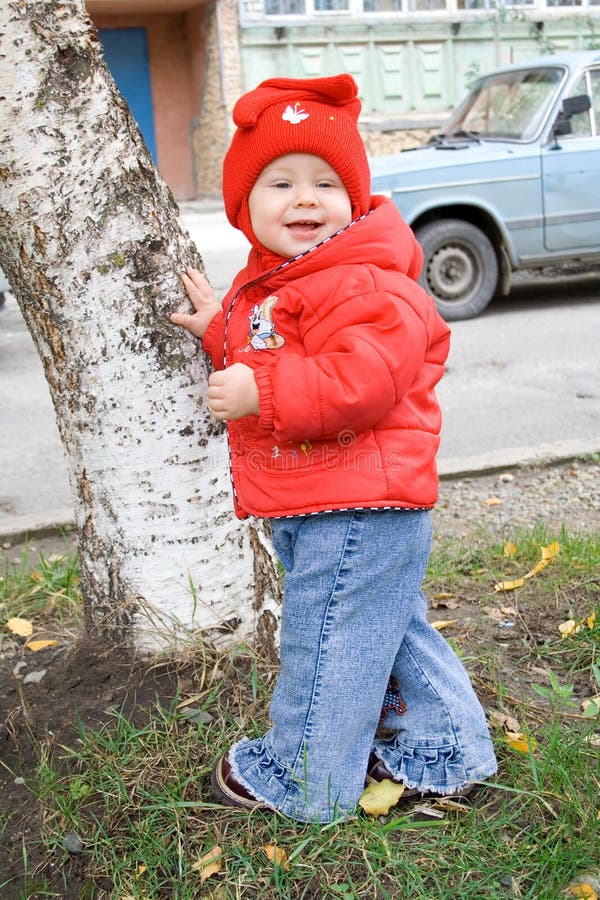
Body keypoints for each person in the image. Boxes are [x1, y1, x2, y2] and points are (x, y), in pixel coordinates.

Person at [170, 74, 497, 823]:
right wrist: (221, 328)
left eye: (326, 183)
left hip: (357, 504)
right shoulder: (288, 278)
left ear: (354, 201)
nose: (306, 199)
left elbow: (365, 377)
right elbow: (278, 340)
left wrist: (263, 392)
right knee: (386, 629)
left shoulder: (367, 279)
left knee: (328, 639)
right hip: (339, 499)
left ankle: (305, 779)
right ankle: (448, 752)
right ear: (244, 206)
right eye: (280, 182)